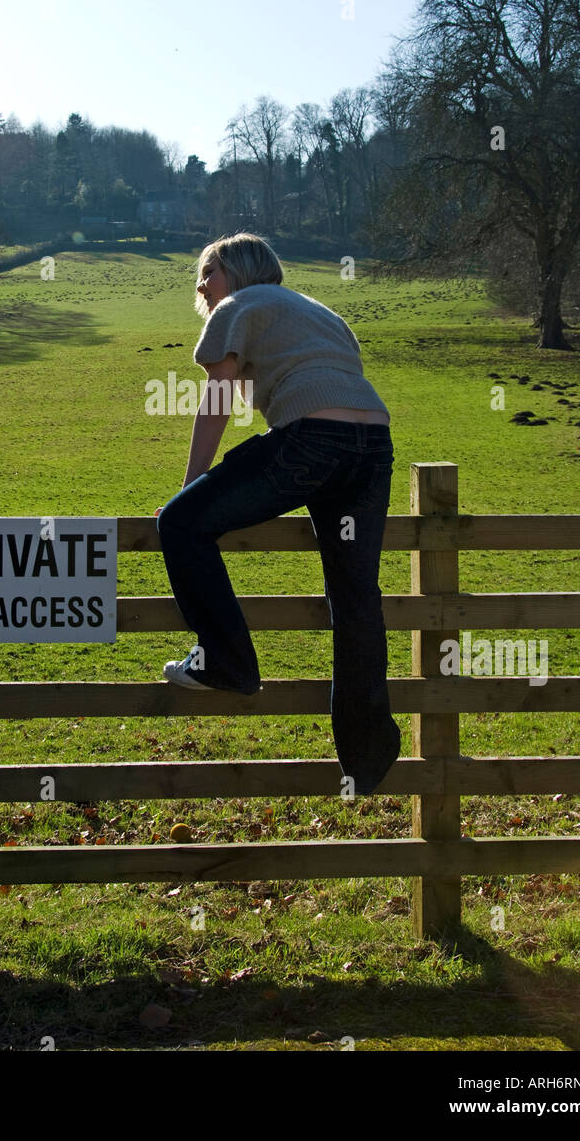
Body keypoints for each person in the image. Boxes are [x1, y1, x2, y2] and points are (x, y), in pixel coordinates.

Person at [154, 232, 400, 796]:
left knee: (182, 524)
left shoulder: (238, 305)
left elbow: (217, 398)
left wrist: (190, 487)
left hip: (311, 442)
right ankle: (366, 755)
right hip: (373, 445)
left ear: (237, 272)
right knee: (356, 594)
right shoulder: (320, 312)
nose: (201, 285)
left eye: (209, 272)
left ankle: (226, 662)